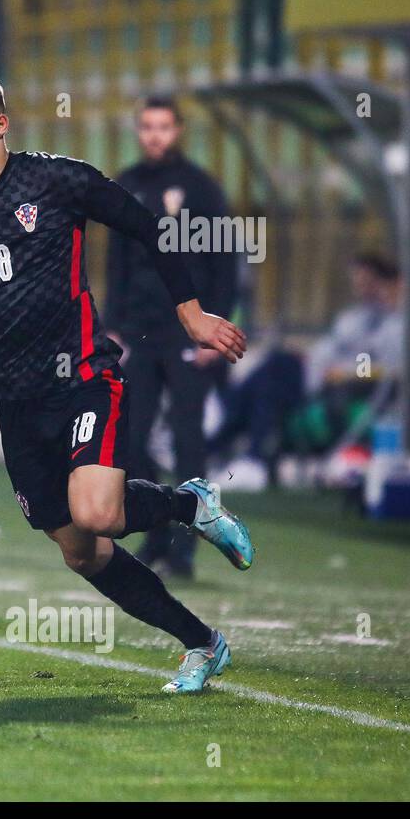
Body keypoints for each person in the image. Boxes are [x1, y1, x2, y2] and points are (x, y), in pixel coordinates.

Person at [0, 67, 255, 694]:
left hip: (85, 378)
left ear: (0, 124)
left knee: (96, 512)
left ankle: (190, 503)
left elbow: (149, 227)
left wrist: (190, 314)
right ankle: (202, 642)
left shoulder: (57, 179)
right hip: (16, 403)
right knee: (81, 551)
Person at [104, 94, 238, 578]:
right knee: (133, 439)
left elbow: (225, 262)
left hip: (189, 335)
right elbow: (115, 263)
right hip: (138, 333)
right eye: (146, 126)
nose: (155, 135)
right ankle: (156, 533)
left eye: (163, 126)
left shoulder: (201, 188)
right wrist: (113, 325)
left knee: (188, 441)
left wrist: (214, 326)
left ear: (179, 130)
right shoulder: (128, 184)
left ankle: (187, 550)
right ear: (138, 131)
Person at [211, 252, 403, 488]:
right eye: (359, 282)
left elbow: (389, 369)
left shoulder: (399, 324)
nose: (363, 289)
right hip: (312, 372)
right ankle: (230, 452)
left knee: (273, 374)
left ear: (391, 284)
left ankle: (230, 449)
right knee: (272, 370)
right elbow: (330, 348)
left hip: (341, 386)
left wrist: (348, 374)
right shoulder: (354, 316)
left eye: (369, 282)